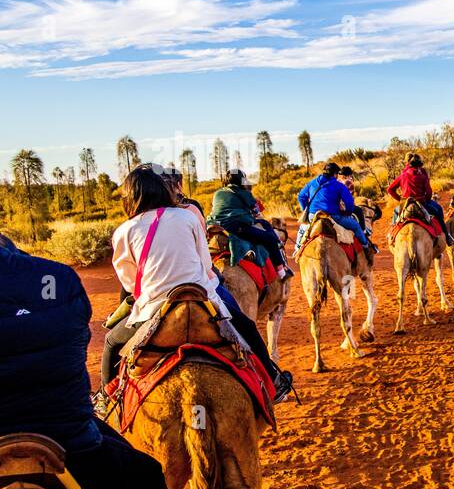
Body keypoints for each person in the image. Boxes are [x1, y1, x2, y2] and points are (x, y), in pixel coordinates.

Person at [0, 233, 223, 489]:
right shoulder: (58, 279)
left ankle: (110, 387)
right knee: (146, 477)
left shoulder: (129, 230)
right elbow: (76, 334)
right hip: (72, 453)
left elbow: (127, 277)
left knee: (116, 342)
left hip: (152, 303)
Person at [102, 165, 292, 401]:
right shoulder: (187, 215)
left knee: (111, 343)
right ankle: (274, 383)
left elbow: (130, 283)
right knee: (246, 326)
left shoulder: (123, 231)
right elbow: (204, 262)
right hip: (204, 296)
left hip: (153, 307)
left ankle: (105, 399)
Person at [209, 169, 291, 280]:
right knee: (270, 239)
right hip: (238, 227)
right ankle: (281, 271)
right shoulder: (244, 193)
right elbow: (257, 213)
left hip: (218, 225)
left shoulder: (217, 193)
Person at [296, 163, 375, 254]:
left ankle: (298, 249)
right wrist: (347, 213)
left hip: (313, 215)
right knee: (356, 226)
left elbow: (301, 197)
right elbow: (349, 202)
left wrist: (307, 208)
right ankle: (366, 248)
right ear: (335, 174)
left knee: (303, 228)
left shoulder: (312, 182)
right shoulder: (339, 185)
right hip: (333, 216)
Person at [387, 152, 448, 233]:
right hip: (421, 203)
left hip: (406, 203)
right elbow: (429, 192)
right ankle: (446, 234)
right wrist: (425, 199)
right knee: (438, 211)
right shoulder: (422, 175)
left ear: (408, 163)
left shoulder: (403, 174)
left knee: (395, 212)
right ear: (419, 164)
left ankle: (392, 234)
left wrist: (401, 200)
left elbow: (390, 189)